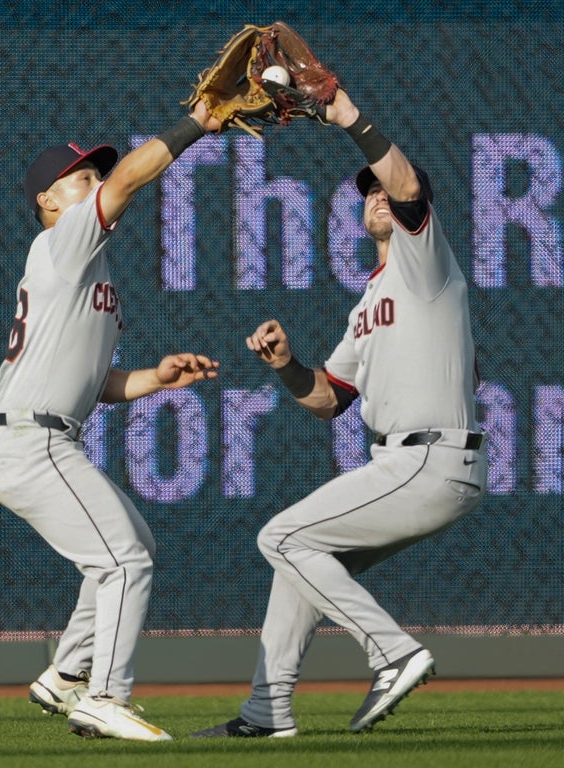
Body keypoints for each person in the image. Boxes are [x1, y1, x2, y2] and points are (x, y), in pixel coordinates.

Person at [192, 86, 487, 738]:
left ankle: (393, 652)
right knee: (301, 561)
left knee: (282, 537)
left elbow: (405, 180)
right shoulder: (368, 301)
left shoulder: (425, 261)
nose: (376, 195)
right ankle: (266, 711)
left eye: (384, 190)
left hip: (431, 456)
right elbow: (330, 400)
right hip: (410, 459)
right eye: (366, 193)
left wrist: (348, 115)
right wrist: (285, 367)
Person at [0, 100, 222, 742]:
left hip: (41, 435)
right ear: (50, 202)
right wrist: (195, 123)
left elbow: (96, 384)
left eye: (93, 175)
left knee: (132, 548)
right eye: (79, 178)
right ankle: (104, 696)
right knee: (125, 562)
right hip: (32, 440)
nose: (93, 183)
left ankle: (65, 676)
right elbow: (129, 181)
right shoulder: (64, 240)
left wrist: (154, 379)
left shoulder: (88, 272)